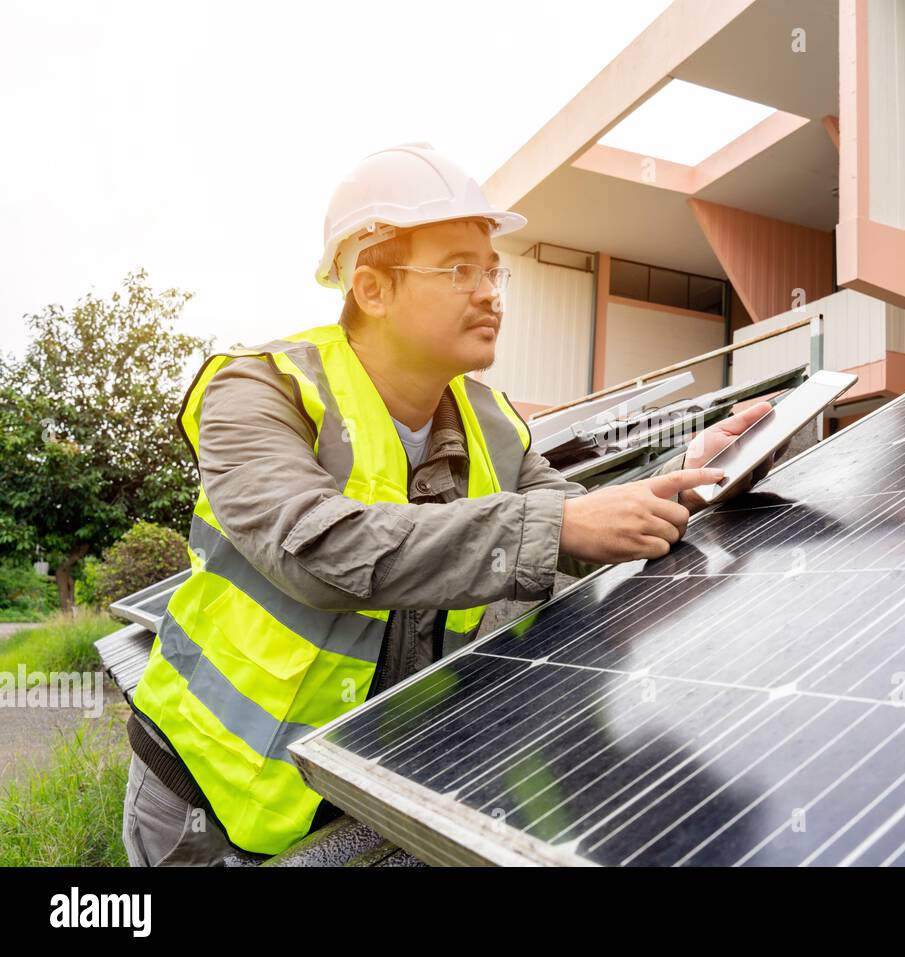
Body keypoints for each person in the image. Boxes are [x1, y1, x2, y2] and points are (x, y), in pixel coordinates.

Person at [121, 143, 780, 865]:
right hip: (205, 806)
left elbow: (574, 534)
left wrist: (681, 478)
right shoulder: (260, 391)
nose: (492, 291)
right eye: (460, 269)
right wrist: (562, 524)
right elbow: (315, 548)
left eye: (493, 269)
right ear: (371, 289)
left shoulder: (492, 423)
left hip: (361, 800)